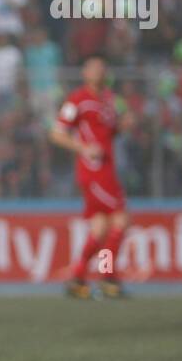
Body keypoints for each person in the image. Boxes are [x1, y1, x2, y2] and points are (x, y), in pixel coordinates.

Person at [50, 54, 131, 298]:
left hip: (108, 169)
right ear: (84, 72)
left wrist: (124, 125)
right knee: (120, 220)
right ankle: (107, 278)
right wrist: (83, 148)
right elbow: (57, 133)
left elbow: (109, 133)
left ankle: (77, 278)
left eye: (101, 66)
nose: (97, 70)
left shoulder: (109, 101)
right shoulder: (77, 100)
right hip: (93, 171)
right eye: (93, 67)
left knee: (100, 227)